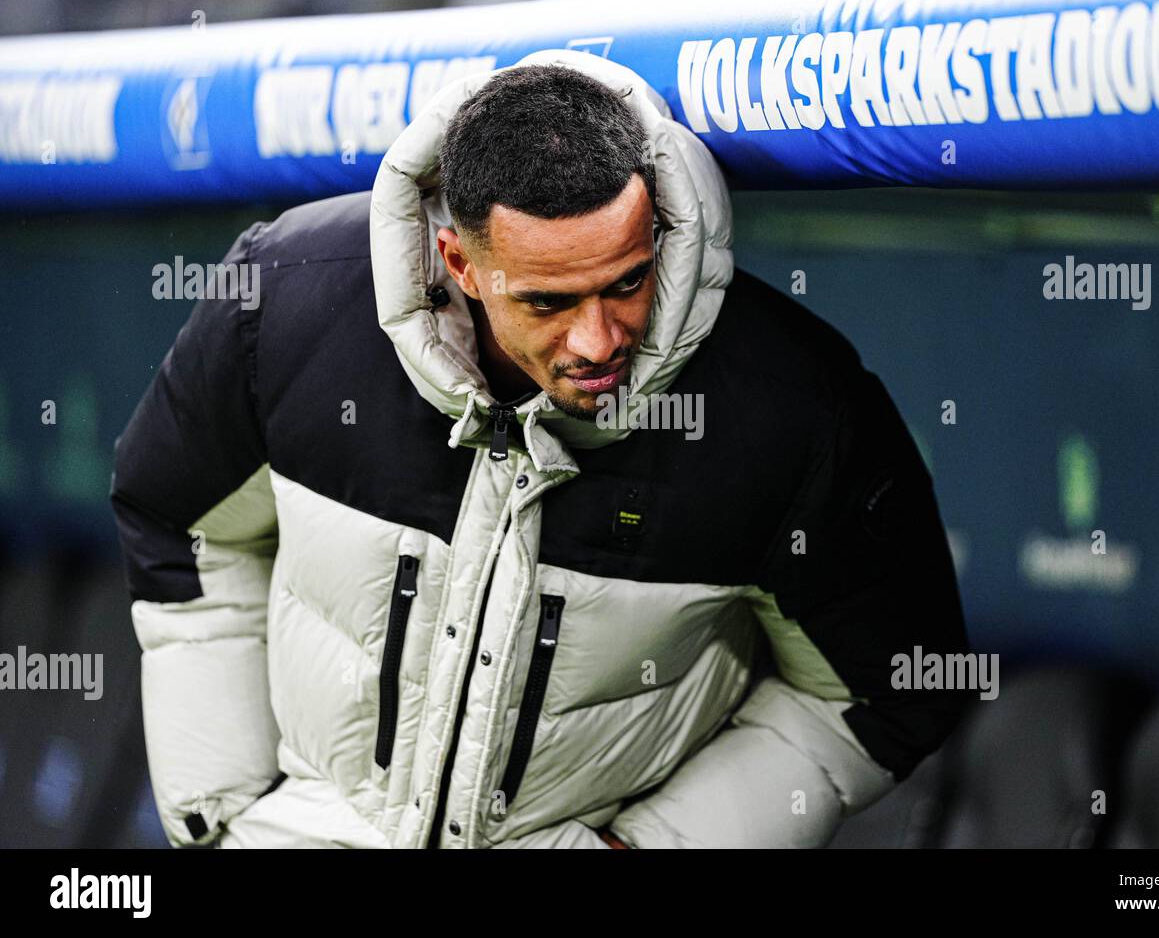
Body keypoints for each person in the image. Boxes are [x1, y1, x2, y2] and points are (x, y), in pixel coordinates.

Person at [110, 50, 970, 848]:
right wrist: (222, 815)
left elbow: (895, 686)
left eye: (627, 282)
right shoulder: (284, 301)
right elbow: (183, 526)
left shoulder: (789, 404)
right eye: (549, 301)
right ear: (458, 260)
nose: (598, 340)